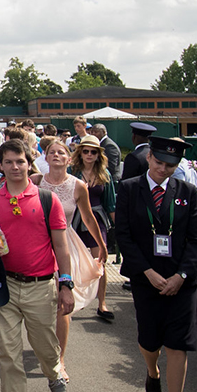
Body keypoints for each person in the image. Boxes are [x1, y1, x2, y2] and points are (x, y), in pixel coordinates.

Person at [116, 136, 197, 392]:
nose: (163, 169)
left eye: (171, 165)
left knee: (177, 345)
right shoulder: (129, 189)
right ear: (149, 158)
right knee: (149, 340)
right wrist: (148, 272)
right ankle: (152, 371)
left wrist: (181, 275)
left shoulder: (187, 192)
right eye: (158, 162)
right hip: (146, 279)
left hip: (181, 282)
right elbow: (124, 235)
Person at [0, 139, 73, 392]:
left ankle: (54, 372)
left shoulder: (47, 199)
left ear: (29, 163)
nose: (15, 167)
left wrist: (66, 284)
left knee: (44, 344)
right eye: (8, 162)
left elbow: (61, 245)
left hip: (41, 285)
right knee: (8, 351)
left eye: (20, 161)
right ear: (0, 165)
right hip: (5, 285)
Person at [35, 138, 107, 380]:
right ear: (45, 158)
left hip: (65, 244)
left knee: (63, 303)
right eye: (51, 152)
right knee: (40, 302)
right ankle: (44, 345)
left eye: (61, 152)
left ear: (68, 158)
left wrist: (101, 244)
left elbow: (88, 217)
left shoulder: (78, 186)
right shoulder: (35, 181)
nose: (56, 155)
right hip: (38, 244)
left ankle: (60, 359)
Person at [69, 135, 116, 321]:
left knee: (100, 262)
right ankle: (74, 300)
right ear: (80, 153)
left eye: (93, 152)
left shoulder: (105, 174)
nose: (89, 154)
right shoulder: (72, 171)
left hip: (97, 219)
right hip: (75, 218)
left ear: (98, 155)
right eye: (86, 151)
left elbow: (110, 204)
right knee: (73, 261)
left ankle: (102, 303)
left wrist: (119, 228)